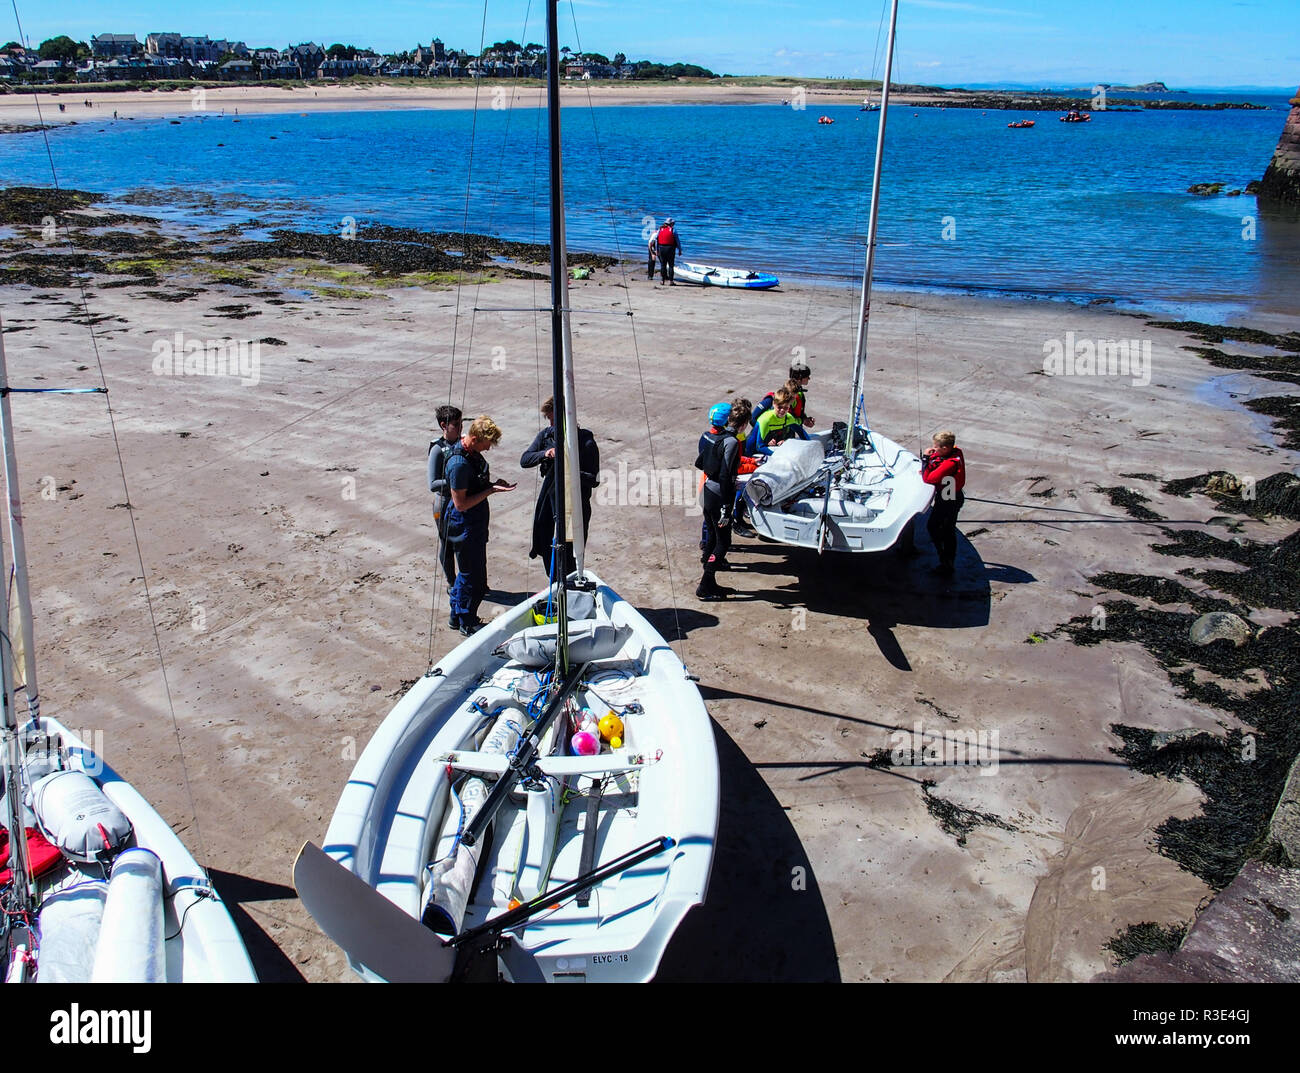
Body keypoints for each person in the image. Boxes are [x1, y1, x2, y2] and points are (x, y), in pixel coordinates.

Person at [445, 416, 514, 635]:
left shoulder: (472, 454)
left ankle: (456, 616)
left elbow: (476, 486)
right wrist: (491, 490)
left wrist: (491, 484)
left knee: (470, 572)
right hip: (464, 525)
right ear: (474, 439)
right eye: (487, 444)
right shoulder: (458, 464)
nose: (489, 449)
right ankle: (467, 621)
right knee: (470, 576)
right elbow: (461, 503)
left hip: (474, 523)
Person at [520, 397, 600, 580]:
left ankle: (570, 588)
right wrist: (545, 454)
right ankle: (554, 585)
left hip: (575, 505)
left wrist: (568, 471)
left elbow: (594, 479)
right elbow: (525, 460)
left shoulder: (585, 441)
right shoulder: (546, 436)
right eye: (549, 420)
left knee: (571, 552)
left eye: (554, 419)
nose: (551, 424)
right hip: (550, 501)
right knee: (545, 541)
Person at [695, 402, 742, 599]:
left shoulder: (707, 436)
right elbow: (725, 476)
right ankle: (705, 585)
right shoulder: (730, 442)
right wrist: (727, 506)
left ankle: (710, 576)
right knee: (723, 542)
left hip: (705, 491)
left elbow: (699, 462)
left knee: (713, 536)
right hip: (718, 495)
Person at [427, 404, 463, 588]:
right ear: (444, 425)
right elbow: (432, 484)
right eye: (455, 425)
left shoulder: (462, 443)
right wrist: (455, 482)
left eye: (461, 423)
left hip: (462, 501)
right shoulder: (437, 449)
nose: (460, 428)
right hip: (444, 503)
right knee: (447, 543)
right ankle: (451, 581)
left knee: (464, 543)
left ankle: (466, 580)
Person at [920, 430, 966, 576]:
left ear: (945, 448)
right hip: (952, 495)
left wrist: (926, 459)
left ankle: (946, 562)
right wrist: (933, 456)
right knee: (947, 530)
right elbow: (938, 460)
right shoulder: (956, 451)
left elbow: (929, 479)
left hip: (948, 499)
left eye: (936, 446)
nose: (933, 449)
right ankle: (946, 560)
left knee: (937, 528)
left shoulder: (949, 464)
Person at [745, 387, 810, 456]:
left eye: (786, 408)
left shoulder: (788, 417)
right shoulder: (765, 419)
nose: (782, 410)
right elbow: (759, 446)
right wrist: (778, 455)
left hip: (766, 448)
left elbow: (801, 432)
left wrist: (810, 446)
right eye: (779, 407)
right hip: (751, 451)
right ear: (773, 404)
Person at [655, 218, 681, 285]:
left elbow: (656, 238)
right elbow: (677, 241)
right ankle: (671, 281)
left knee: (663, 265)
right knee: (671, 265)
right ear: (671, 224)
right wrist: (680, 250)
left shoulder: (660, 229)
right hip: (670, 249)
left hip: (661, 248)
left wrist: (657, 250)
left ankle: (662, 281)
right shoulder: (673, 230)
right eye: (673, 223)